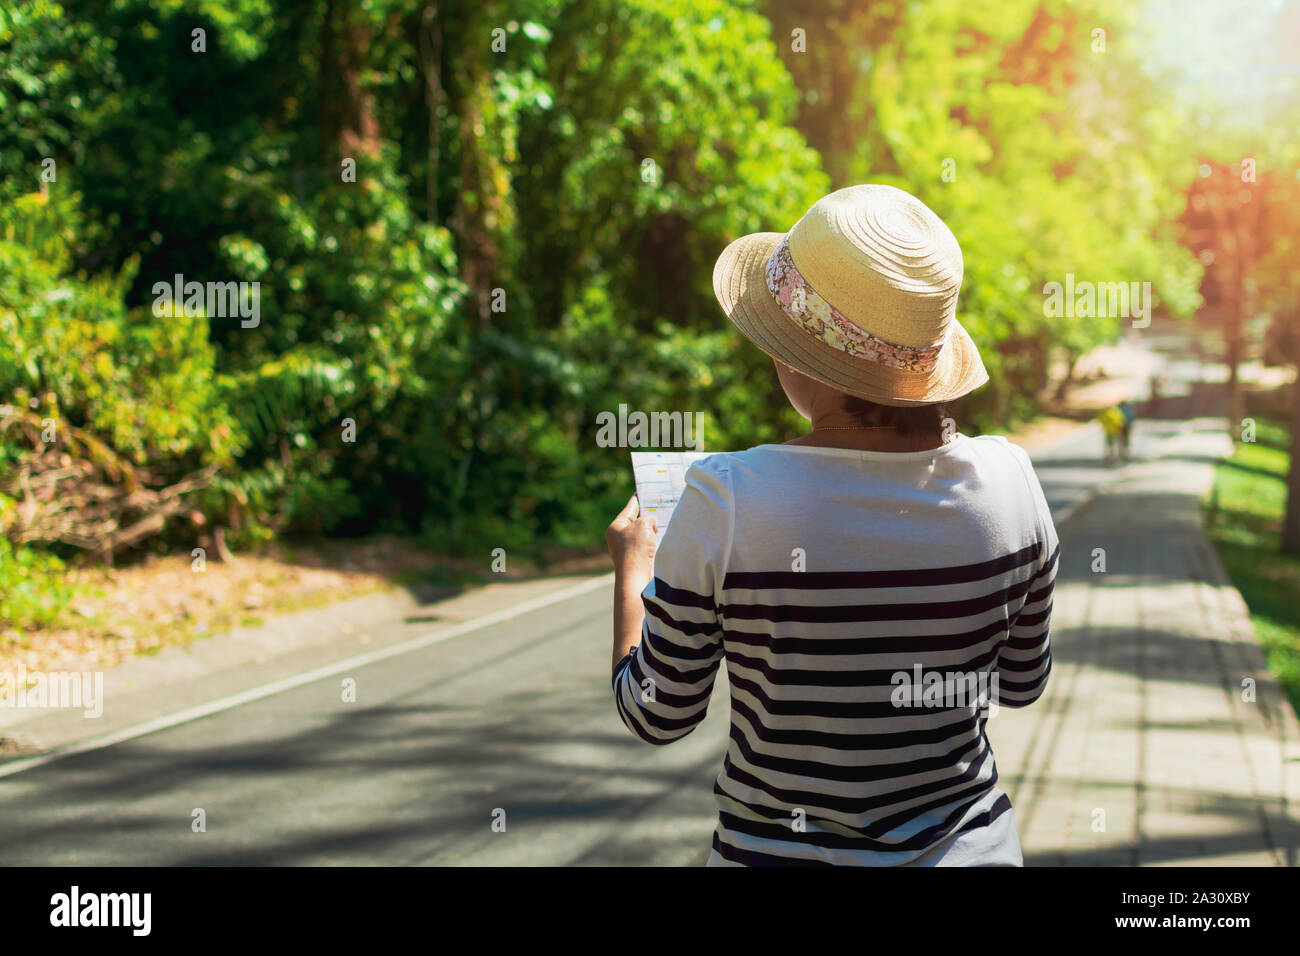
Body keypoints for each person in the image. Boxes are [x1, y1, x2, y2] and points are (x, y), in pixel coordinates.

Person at [605, 184, 1057, 866]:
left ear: (797, 357)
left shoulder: (725, 498)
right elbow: (1021, 685)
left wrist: (632, 571)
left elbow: (656, 712)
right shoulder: (1013, 482)